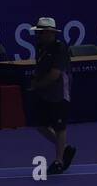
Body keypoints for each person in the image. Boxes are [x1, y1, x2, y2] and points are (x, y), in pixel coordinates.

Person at [29, 17, 75, 176]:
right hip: (44, 91)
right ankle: (65, 148)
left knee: (59, 127)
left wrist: (37, 84)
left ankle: (59, 161)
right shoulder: (40, 45)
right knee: (40, 125)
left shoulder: (60, 48)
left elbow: (55, 74)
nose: (38, 34)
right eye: (38, 32)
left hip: (58, 92)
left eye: (41, 32)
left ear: (49, 33)